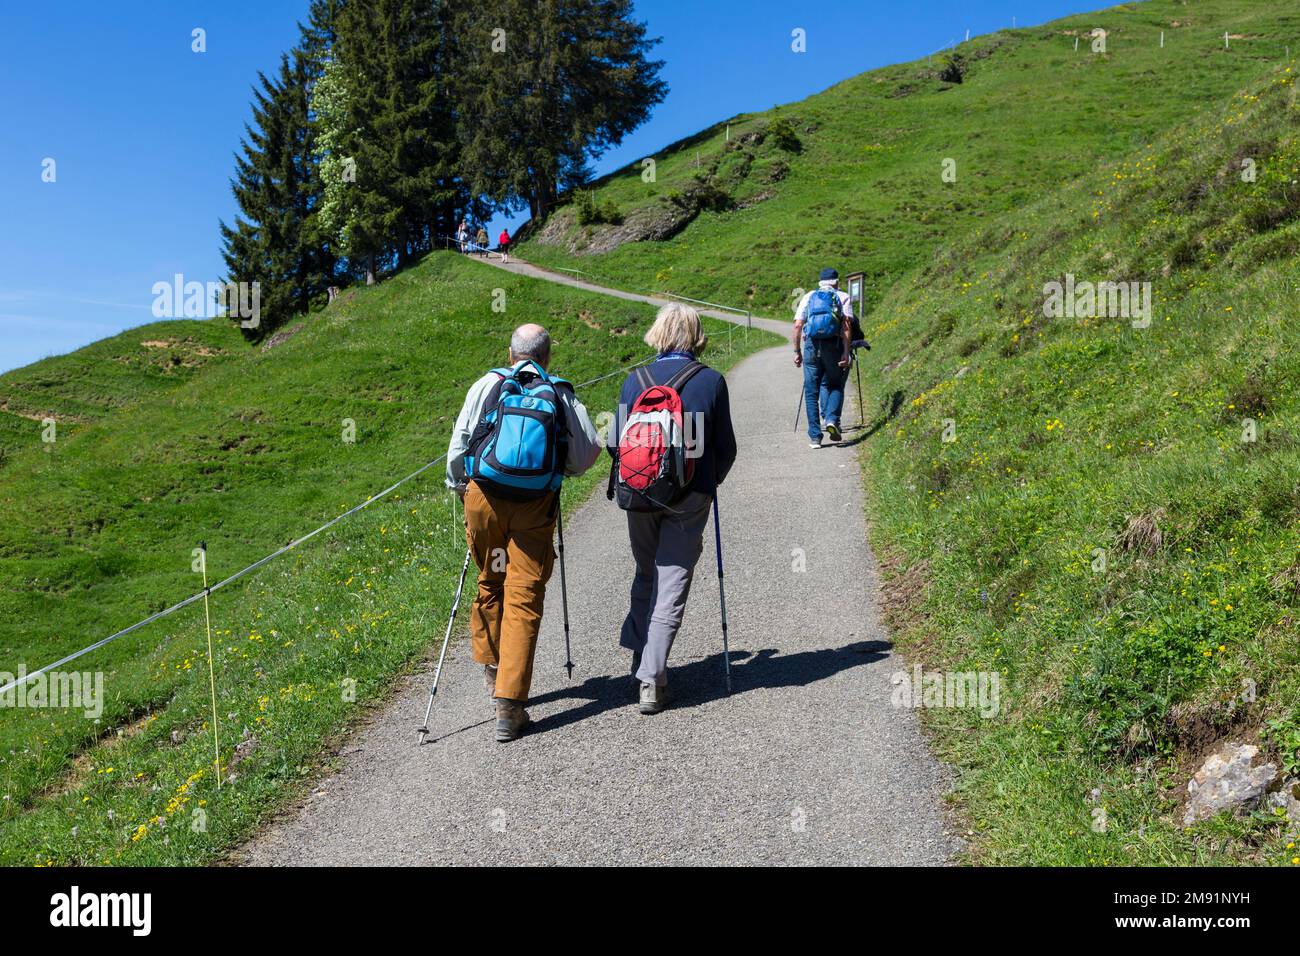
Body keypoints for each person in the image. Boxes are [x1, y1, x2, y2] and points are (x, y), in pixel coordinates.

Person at [446, 324, 602, 741]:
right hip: (533, 507)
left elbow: (460, 444)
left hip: (484, 500)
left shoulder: (489, 384)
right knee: (524, 596)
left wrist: (461, 488)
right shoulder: (558, 391)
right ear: (547, 357)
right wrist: (559, 471)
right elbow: (587, 451)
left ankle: (492, 670)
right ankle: (510, 706)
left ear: (510, 352)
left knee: (490, 581)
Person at [607, 304, 737, 714]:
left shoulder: (635, 381)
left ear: (658, 334)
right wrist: (709, 481)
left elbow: (615, 442)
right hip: (690, 496)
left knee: (647, 573)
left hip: (639, 493)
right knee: (672, 582)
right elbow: (725, 449)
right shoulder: (711, 381)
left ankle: (639, 657)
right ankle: (651, 680)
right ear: (696, 336)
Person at [792, 267, 853, 447]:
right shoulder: (842, 297)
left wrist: (797, 352)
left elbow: (797, 326)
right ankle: (832, 420)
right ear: (837, 282)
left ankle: (815, 437)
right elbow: (847, 326)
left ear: (820, 282)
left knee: (811, 392)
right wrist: (846, 351)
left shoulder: (809, 296)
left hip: (812, 345)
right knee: (835, 384)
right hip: (834, 345)